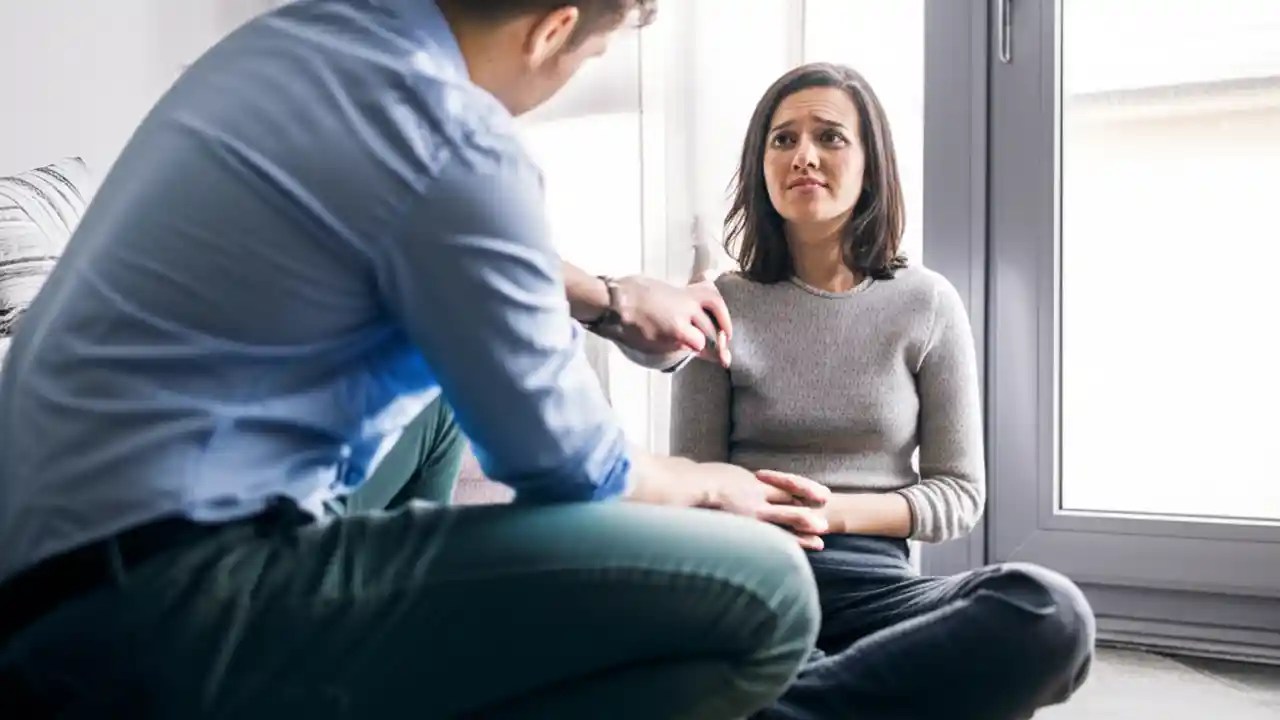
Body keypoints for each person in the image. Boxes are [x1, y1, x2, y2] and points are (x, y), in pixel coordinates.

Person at [0, 2, 834, 717]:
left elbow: (423, 232)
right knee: (766, 588)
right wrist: (707, 482)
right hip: (157, 606)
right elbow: (575, 469)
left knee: (434, 405)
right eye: (597, 53)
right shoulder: (454, 136)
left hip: (42, 583)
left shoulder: (293, 43)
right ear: (554, 30)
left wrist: (609, 299)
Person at [671, 62, 1097, 720]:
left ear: (872, 163)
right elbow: (692, 488)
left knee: (1049, 612)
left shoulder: (926, 303)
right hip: (749, 576)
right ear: (761, 164)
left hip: (878, 587)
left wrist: (830, 513)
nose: (803, 156)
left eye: (830, 137)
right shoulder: (718, 304)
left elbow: (958, 493)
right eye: (782, 140)